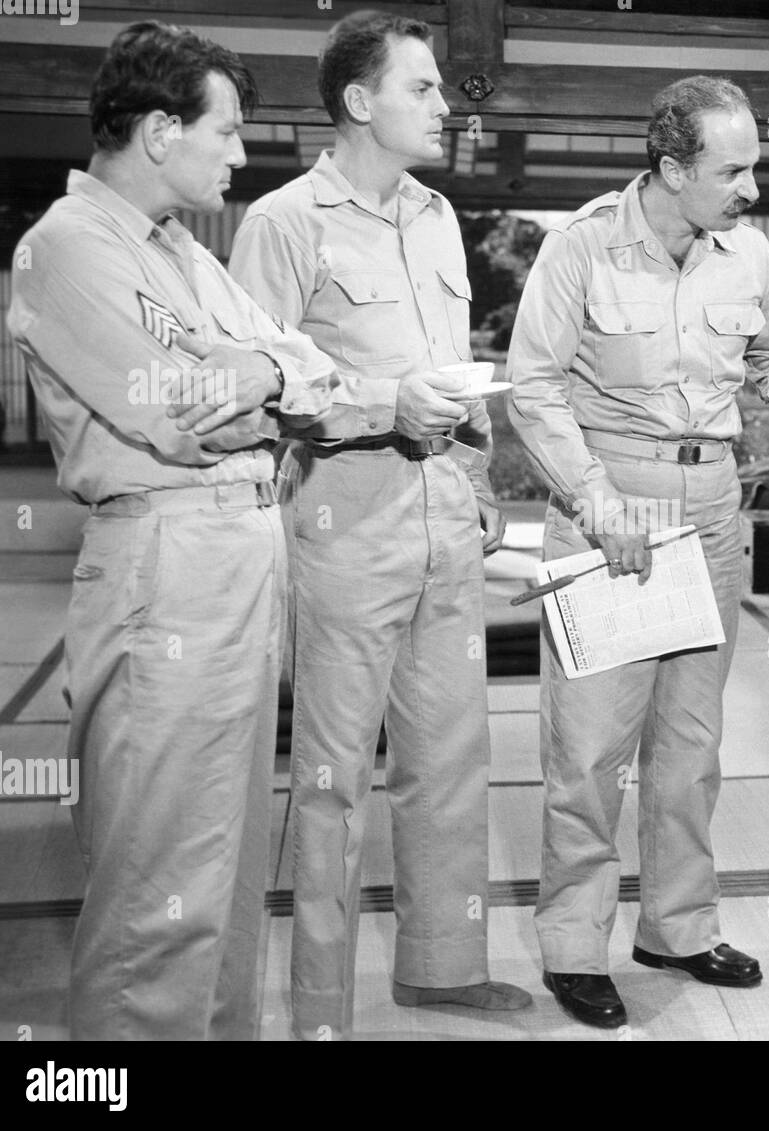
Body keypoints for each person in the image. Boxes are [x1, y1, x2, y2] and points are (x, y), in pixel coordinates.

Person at [4, 21, 355, 1040]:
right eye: (228, 132)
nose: (241, 156)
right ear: (161, 129)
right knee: (160, 866)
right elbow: (181, 416)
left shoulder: (181, 255)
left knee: (229, 856)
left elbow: (307, 367)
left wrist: (269, 372)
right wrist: (259, 380)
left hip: (240, 557)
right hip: (166, 560)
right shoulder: (65, 247)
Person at [506, 75, 769, 1029]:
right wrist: (594, 496)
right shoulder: (580, 246)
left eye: (755, 165)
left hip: (712, 507)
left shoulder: (746, 251)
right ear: (671, 168)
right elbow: (533, 390)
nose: (753, 188)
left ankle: (676, 924)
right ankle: (574, 943)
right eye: (734, 169)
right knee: (588, 750)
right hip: (611, 510)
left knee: (692, 745)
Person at [228, 10, 529, 1040]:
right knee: (331, 782)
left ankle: (440, 970)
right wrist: (378, 405)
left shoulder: (438, 216)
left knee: (450, 762)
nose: (449, 104)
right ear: (361, 102)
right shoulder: (282, 224)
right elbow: (261, 387)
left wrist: (481, 474)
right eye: (427, 88)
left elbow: (453, 366)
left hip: (446, 520)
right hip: (344, 532)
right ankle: (320, 1008)